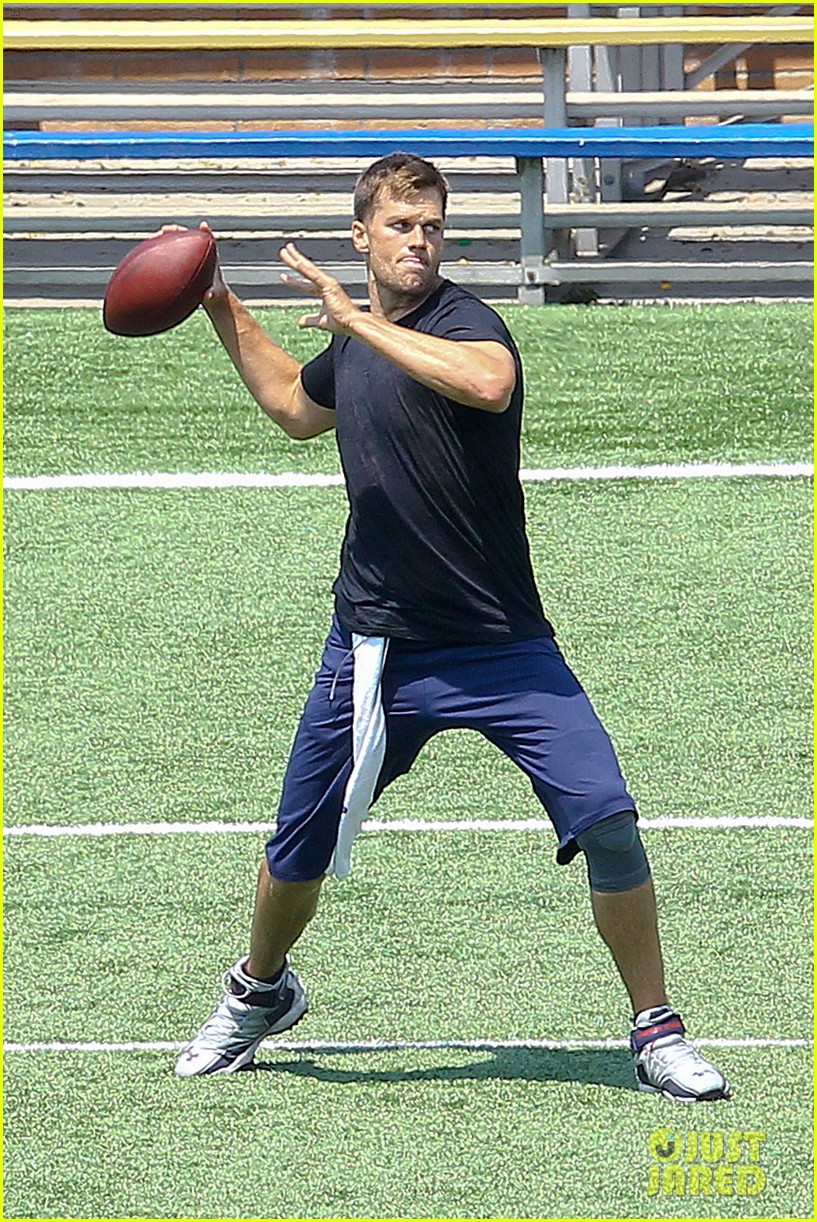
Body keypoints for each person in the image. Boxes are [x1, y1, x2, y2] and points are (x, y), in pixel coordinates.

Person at [173, 152, 729, 1101]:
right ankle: (258, 992)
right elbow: (290, 409)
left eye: (431, 227)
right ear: (362, 236)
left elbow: (487, 385)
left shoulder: (463, 323)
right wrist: (220, 300)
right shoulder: (354, 342)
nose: (418, 243)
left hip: (502, 644)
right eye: (399, 227)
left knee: (611, 823)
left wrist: (353, 320)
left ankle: (655, 1027)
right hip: (378, 647)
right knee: (297, 845)